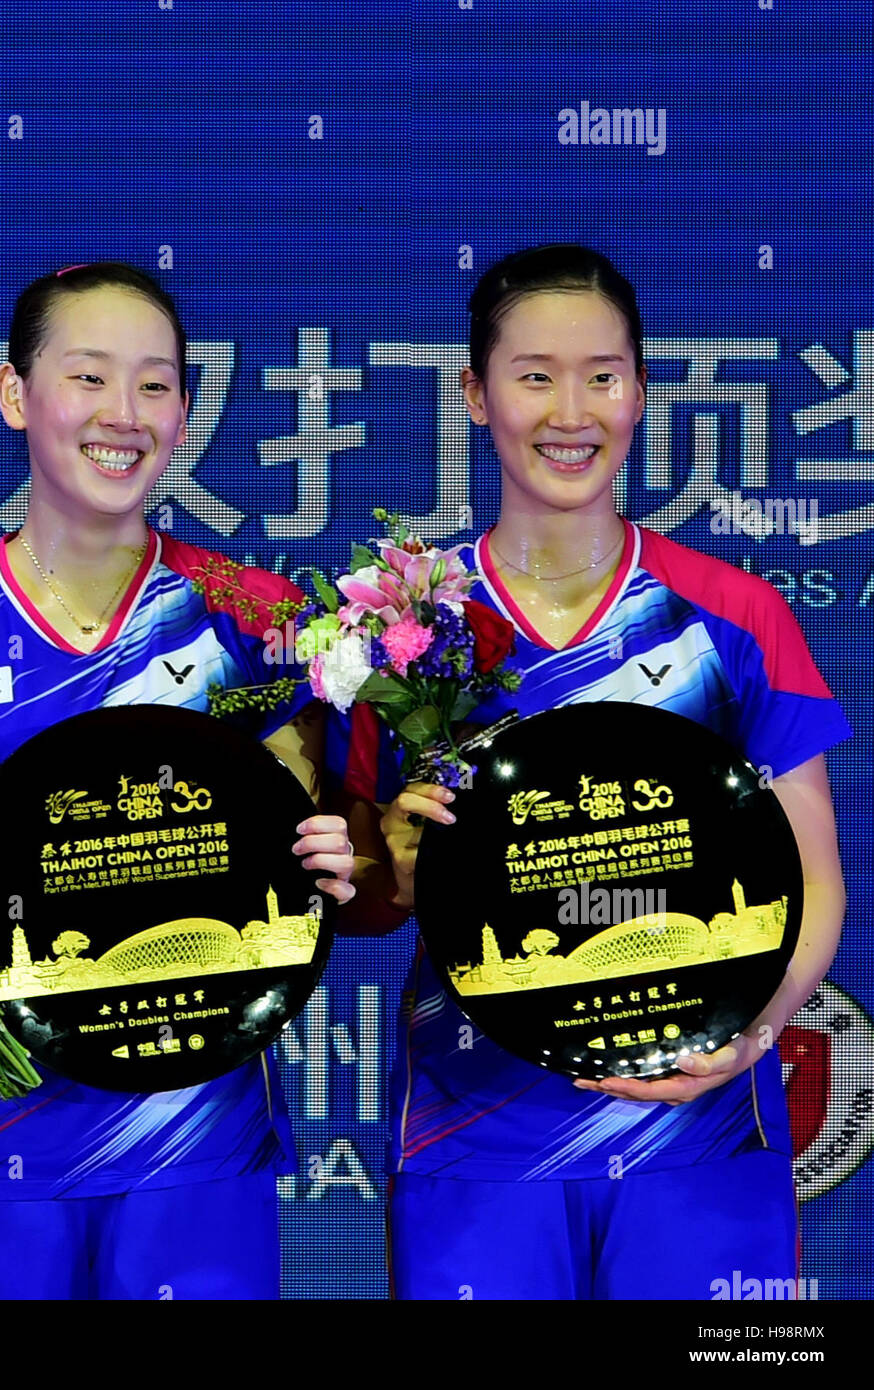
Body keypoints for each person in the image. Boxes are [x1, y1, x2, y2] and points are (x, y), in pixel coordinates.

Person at [0, 261, 355, 1300]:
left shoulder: (254, 618)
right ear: (15, 392)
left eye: (155, 385)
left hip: (193, 1137)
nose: (125, 415)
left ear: (186, 410)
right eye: (91, 378)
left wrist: (333, 850)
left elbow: (323, 838)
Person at [335, 244, 850, 1300]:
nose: (570, 410)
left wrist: (753, 1031)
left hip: (701, 1139)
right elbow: (372, 901)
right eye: (533, 375)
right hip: (476, 1142)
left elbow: (815, 879)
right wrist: (386, 849)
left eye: (602, 376)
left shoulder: (734, 616)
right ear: (475, 394)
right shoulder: (397, 628)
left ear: (641, 390)